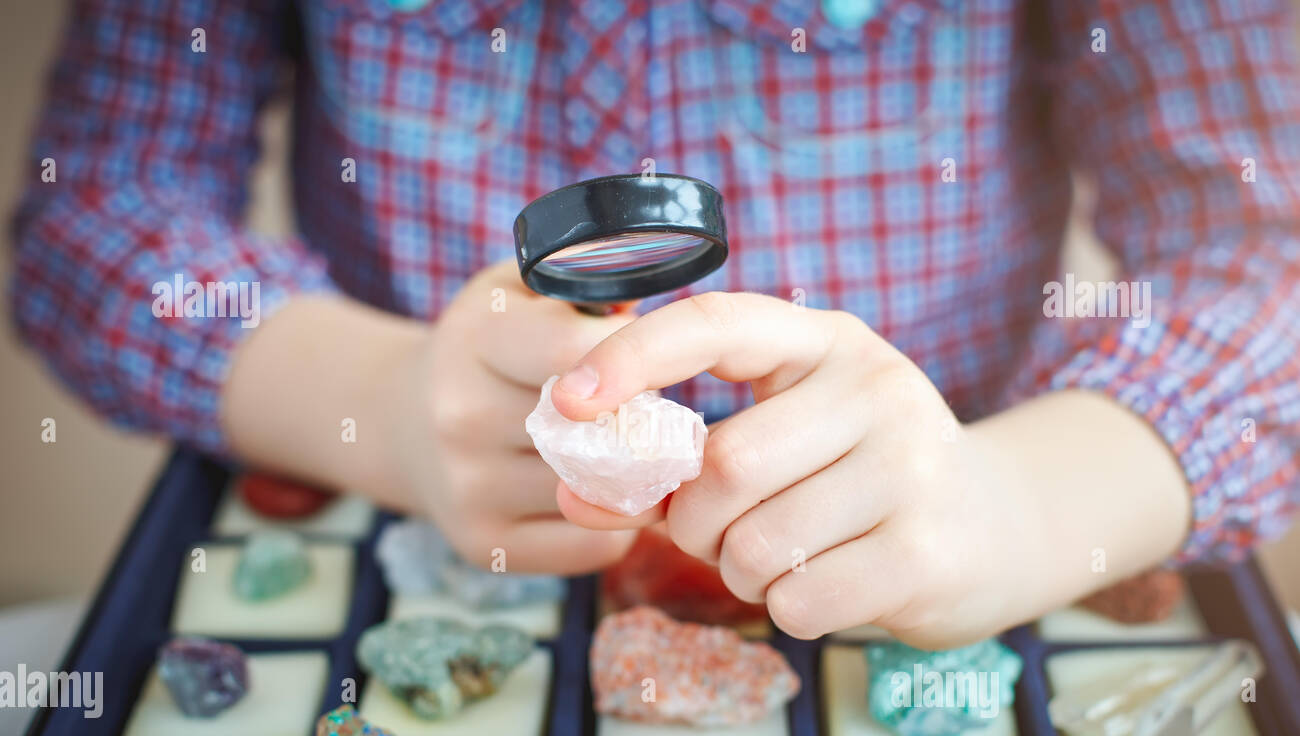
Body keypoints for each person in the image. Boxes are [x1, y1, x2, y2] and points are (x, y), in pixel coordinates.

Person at [12, 0, 1300, 647]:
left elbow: (1268, 250)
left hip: (942, 562)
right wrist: (380, 399)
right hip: (423, 553)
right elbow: (97, 207)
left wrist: (1016, 500)